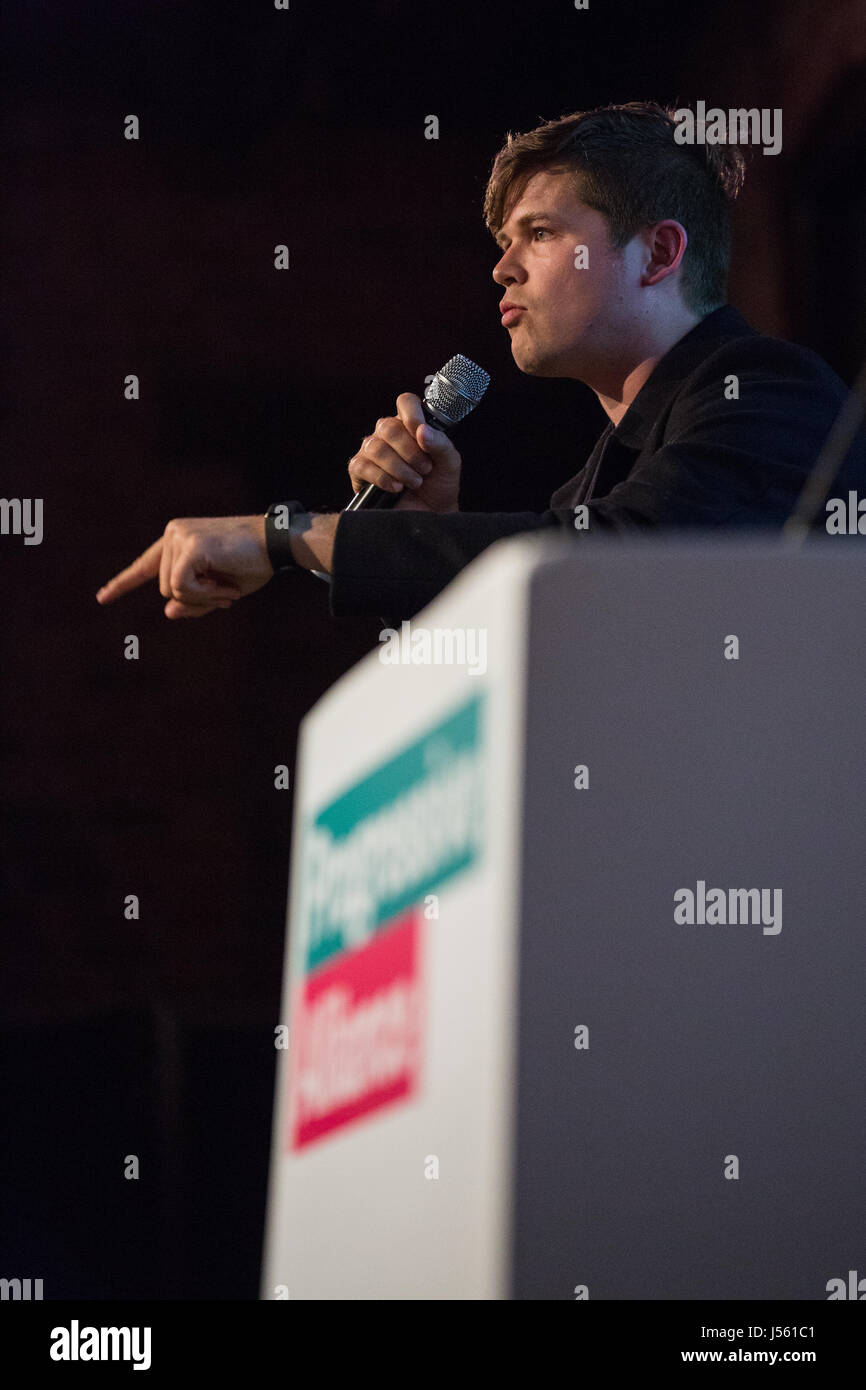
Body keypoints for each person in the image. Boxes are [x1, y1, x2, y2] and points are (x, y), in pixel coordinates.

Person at [95, 101, 866, 624]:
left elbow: (612, 569)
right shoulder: (593, 481)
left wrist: (286, 536)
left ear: (657, 252)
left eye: (537, 234)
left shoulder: (767, 392)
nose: (502, 269)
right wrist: (431, 537)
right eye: (503, 244)